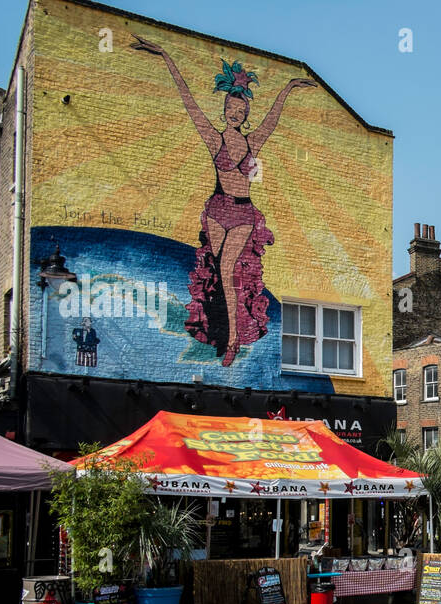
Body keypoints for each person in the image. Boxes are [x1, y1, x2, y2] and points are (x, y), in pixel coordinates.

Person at [133, 36, 315, 366]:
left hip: (243, 213)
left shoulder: (252, 142)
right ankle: (218, 329)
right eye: (231, 109)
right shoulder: (213, 138)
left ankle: (232, 339)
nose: (235, 113)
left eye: (241, 110)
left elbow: (272, 120)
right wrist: (164, 54)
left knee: (229, 269)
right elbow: (188, 101)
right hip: (217, 210)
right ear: (224, 111)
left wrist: (288, 87)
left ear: (246, 115)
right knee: (217, 271)